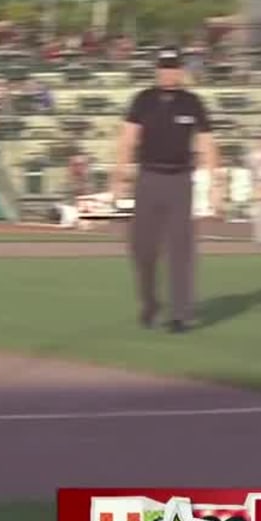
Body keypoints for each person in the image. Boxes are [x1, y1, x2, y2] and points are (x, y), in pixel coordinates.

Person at [111, 47, 221, 333]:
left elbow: (207, 143)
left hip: (180, 180)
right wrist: (119, 176)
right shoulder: (143, 100)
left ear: (181, 71)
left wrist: (215, 186)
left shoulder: (192, 102)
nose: (168, 72)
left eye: (173, 67)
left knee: (180, 249)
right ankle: (150, 303)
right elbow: (127, 140)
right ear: (157, 70)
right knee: (142, 249)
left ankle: (181, 314)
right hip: (148, 178)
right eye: (164, 67)